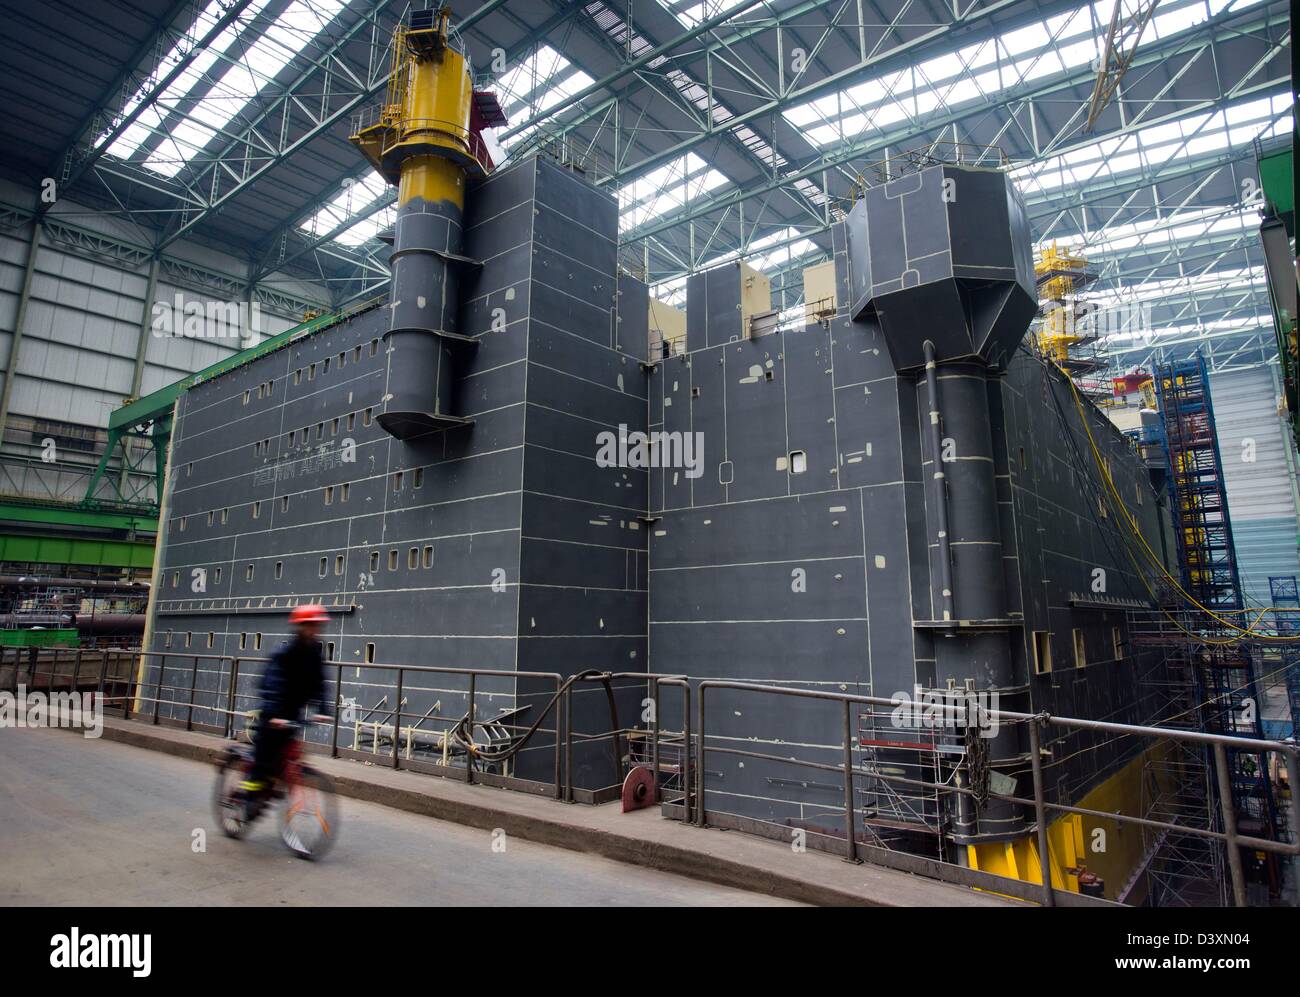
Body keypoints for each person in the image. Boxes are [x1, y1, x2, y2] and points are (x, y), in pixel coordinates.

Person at [238, 604, 333, 811]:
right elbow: (271, 682)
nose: (315, 630)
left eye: (317, 625)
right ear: (301, 627)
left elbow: (320, 683)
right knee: (263, 759)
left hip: (292, 713)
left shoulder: (315, 653)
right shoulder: (285, 652)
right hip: (273, 713)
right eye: (311, 625)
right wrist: (275, 713)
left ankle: (277, 782)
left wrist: (324, 711)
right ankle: (248, 798)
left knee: (290, 754)